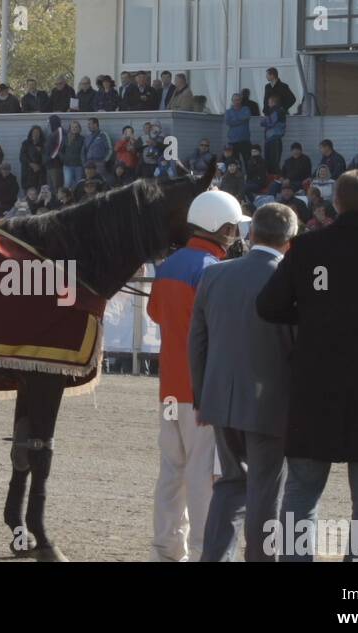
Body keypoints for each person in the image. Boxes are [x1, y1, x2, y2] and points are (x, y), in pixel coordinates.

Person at [256, 169, 358, 562]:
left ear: (335, 203)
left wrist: (312, 314)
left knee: (301, 489)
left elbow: (269, 306)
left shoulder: (307, 248)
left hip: (314, 382)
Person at [148, 190, 252, 562]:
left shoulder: (169, 265)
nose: (235, 235)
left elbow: (157, 315)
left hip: (170, 392)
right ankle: (204, 552)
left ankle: (165, 550)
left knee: (171, 474)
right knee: (203, 477)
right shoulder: (213, 270)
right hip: (201, 391)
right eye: (232, 228)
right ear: (220, 228)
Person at [190, 203, 298, 562]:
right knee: (266, 493)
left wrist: (202, 397)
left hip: (220, 399)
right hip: (271, 404)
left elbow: (198, 342)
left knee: (230, 484)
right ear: (289, 241)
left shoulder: (215, 275)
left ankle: (215, 558)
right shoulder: (292, 280)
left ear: (250, 234)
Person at [225, 94, 252, 168]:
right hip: (233, 141)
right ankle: (237, 178)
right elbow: (228, 122)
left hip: (245, 140)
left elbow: (246, 117)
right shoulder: (228, 111)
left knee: (248, 161)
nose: (237, 102)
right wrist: (241, 119)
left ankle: (248, 178)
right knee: (235, 162)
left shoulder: (246, 109)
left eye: (238, 100)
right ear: (232, 101)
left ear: (241, 100)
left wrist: (234, 120)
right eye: (235, 100)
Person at [20, 126, 47, 192]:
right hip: (27, 173)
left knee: (39, 193)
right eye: (34, 132)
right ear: (31, 133)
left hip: (39, 174)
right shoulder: (25, 143)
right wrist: (31, 164)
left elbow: (47, 158)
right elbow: (22, 157)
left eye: (37, 132)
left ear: (40, 134)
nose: (35, 134)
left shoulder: (44, 144)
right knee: (28, 193)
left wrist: (39, 166)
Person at [61, 121, 86, 189]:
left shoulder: (83, 139)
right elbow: (60, 151)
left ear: (79, 129)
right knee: (67, 184)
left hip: (79, 166)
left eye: (76, 127)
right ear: (70, 128)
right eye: (73, 127)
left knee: (79, 184)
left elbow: (85, 152)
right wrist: (64, 158)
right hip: (67, 166)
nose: (74, 128)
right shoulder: (65, 138)